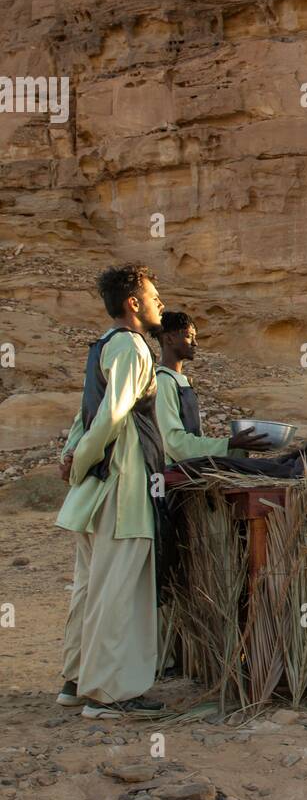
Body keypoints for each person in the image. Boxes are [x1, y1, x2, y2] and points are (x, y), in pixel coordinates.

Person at [55, 265, 168, 718]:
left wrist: (73, 455)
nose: (161, 304)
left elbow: (87, 414)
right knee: (118, 589)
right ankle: (109, 694)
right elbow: (112, 415)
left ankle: (76, 680)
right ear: (133, 303)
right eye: (154, 297)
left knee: (91, 586)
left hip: (96, 490)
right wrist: (82, 459)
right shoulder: (132, 347)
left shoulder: (104, 344)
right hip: (123, 487)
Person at [151, 311, 270, 464]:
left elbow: (195, 438)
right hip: (174, 470)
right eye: (189, 336)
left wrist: (235, 447)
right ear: (169, 339)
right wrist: (229, 444)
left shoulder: (180, 382)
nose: (195, 343)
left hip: (191, 465)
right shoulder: (163, 382)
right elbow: (174, 443)